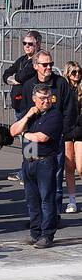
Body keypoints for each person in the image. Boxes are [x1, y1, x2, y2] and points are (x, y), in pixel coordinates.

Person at [11, 84, 65, 248]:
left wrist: (25, 134)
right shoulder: (31, 113)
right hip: (29, 159)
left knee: (46, 199)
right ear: (35, 99)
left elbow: (42, 138)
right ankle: (35, 232)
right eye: (42, 98)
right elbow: (13, 131)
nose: (46, 101)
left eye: (48, 97)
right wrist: (27, 116)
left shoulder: (54, 115)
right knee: (31, 200)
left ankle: (47, 234)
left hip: (45, 161)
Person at [66, 61, 82, 214]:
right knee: (69, 166)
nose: (77, 75)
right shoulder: (64, 89)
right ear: (68, 73)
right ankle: (72, 200)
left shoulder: (81, 90)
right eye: (73, 72)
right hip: (66, 131)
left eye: (79, 72)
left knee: (81, 166)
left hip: (80, 131)